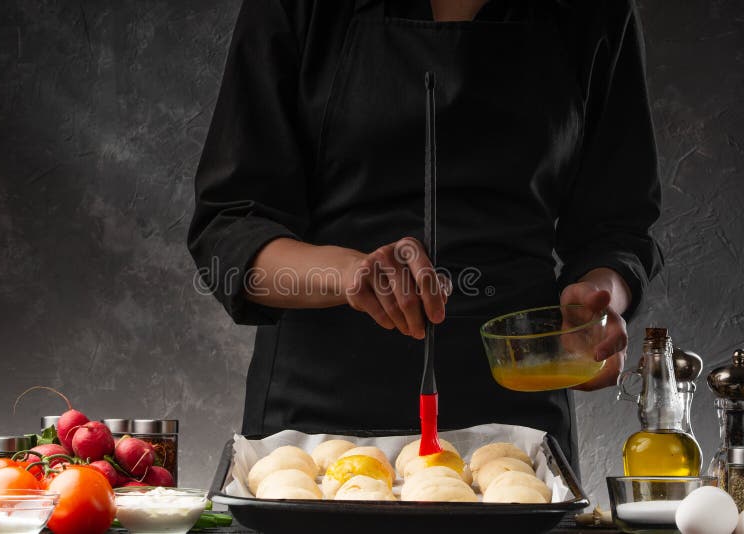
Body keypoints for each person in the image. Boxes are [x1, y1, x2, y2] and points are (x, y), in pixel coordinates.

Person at [188, 0, 662, 468]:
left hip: (516, 429)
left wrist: (600, 299)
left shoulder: (597, 11)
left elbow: (616, 228)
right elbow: (230, 226)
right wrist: (354, 274)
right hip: (311, 432)